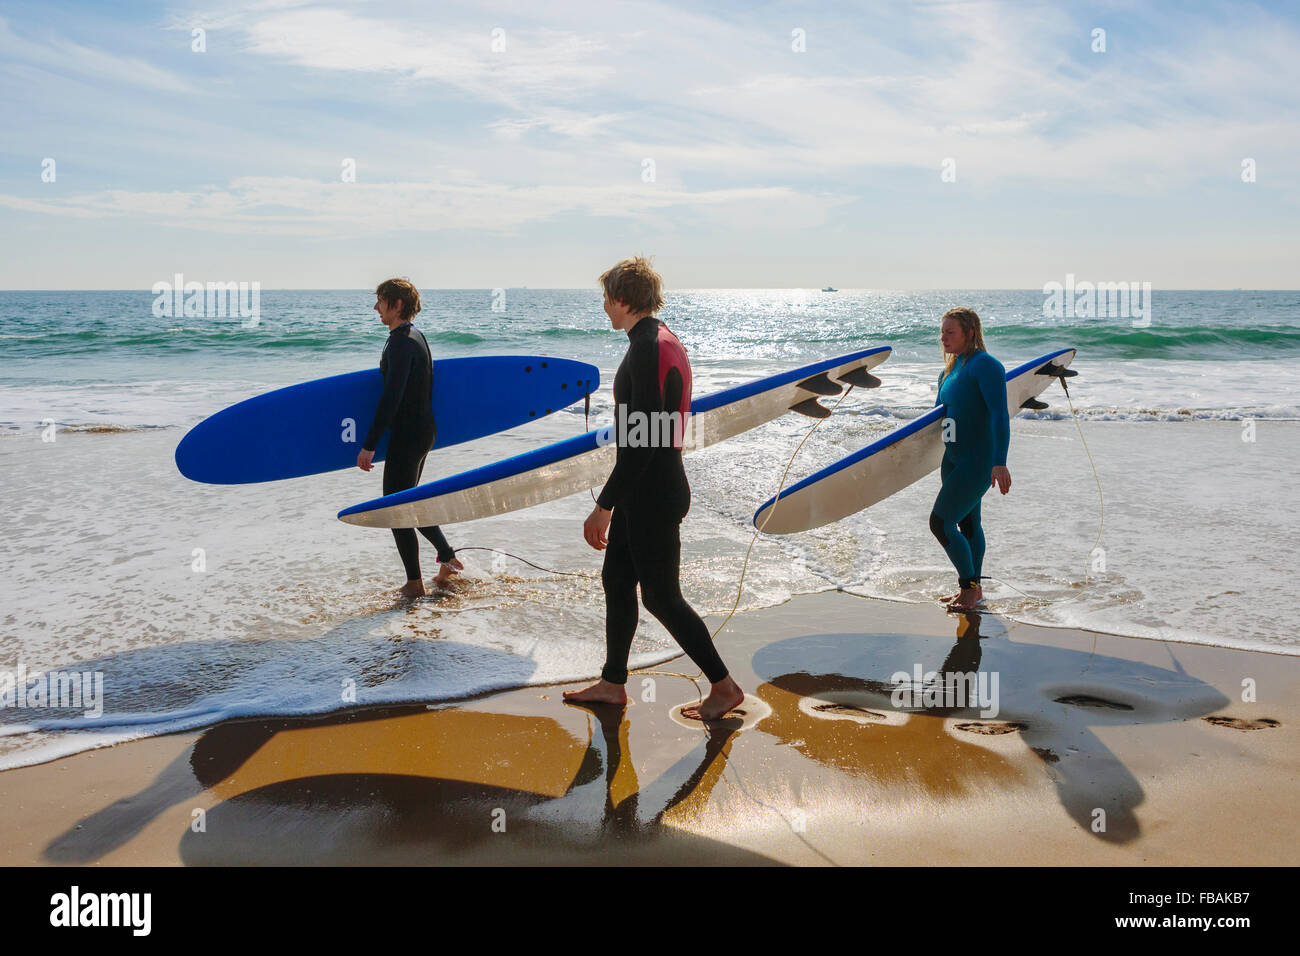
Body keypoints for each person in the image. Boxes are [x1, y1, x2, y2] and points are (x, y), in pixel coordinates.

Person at [563, 257, 743, 721]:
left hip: (651, 491)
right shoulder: (661, 339)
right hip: (649, 487)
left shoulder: (647, 347)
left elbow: (641, 444)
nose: (604, 306)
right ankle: (613, 683)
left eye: (607, 297)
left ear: (624, 299)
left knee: (662, 597)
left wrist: (604, 505)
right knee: (617, 580)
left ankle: (723, 687)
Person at [355, 278, 463, 598]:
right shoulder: (415, 336)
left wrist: (369, 445)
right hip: (420, 431)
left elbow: (392, 398)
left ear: (397, 304)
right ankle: (449, 559)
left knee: (396, 508)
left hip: (409, 435)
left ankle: (415, 583)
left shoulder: (401, 343)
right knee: (408, 502)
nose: (376, 307)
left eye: (381, 301)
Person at [930, 307, 1010, 611]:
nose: (943, 338)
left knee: (940, 523)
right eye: (942, 332)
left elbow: (1000, 415)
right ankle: (973, 590)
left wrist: (999, 461)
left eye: (951, 332)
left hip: (977, 460)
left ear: (970, 333)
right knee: (968, 524)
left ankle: (969, 588)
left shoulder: (986, 366)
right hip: (952, 458)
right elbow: (936, 418)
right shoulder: (948, 371)